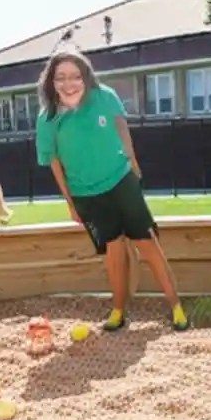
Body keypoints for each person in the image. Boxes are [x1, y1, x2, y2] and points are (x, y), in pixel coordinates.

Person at [34, 47, 189, 332]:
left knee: (147, 243)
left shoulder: (105, 97)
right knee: (114, 251)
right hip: (87, 194)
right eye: (61, 77)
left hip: (121, 181)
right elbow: (54, 163)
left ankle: (176, 307)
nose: (69, 83)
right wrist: (70, 202)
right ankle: (118, 311)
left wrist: (134, 166)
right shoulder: (47, 119)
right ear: (51, 81)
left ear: (86, 77)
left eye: (75, 76)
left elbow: (122, 129)